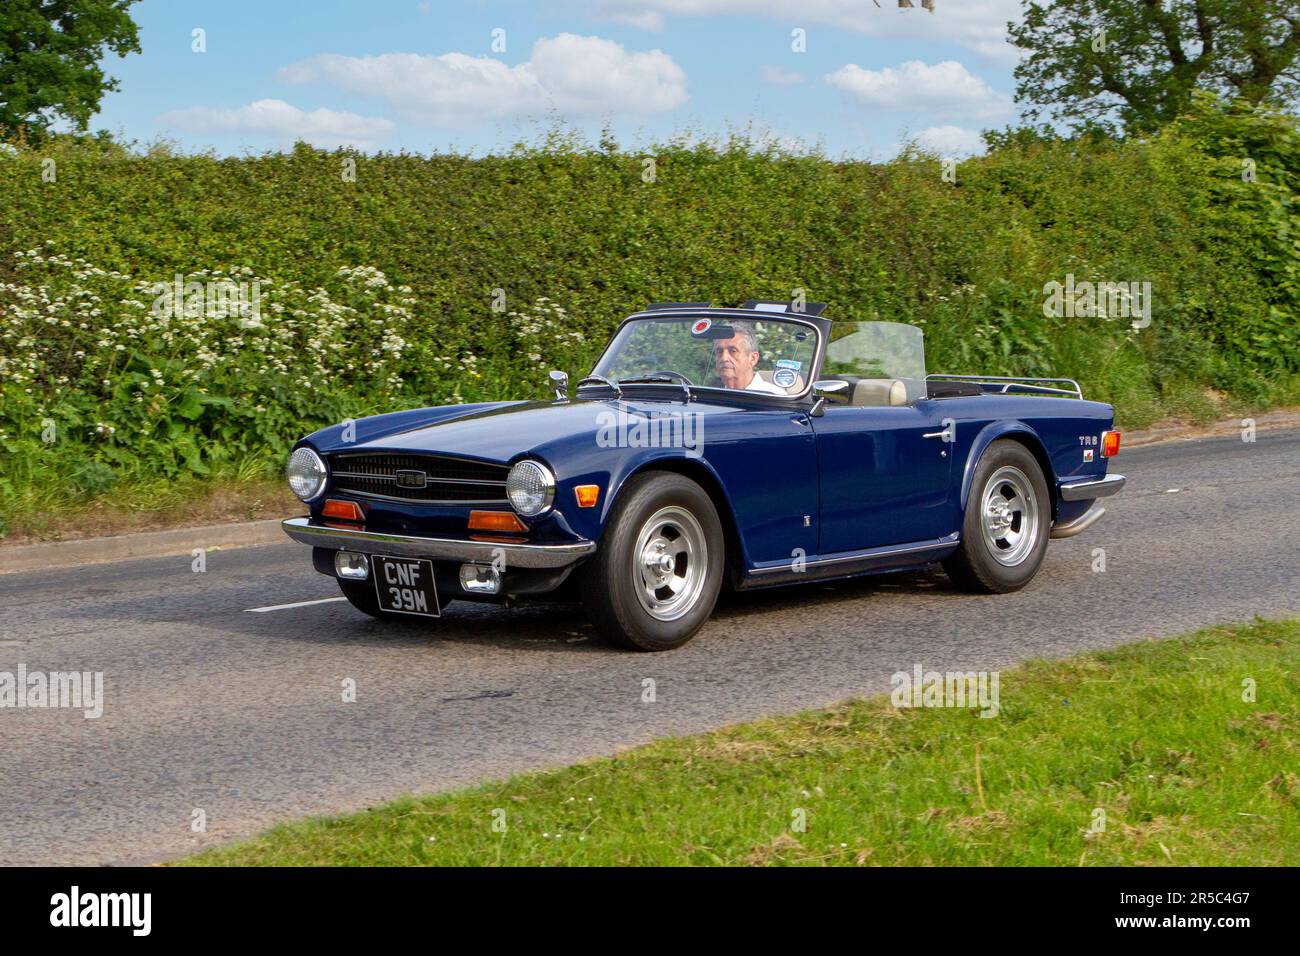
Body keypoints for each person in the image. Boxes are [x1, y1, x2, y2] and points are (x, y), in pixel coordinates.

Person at [711, 323, 786, 394]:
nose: (724, 358)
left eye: (733, 351)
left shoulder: (774, 396)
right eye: (719, 351)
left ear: (753, 358)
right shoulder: (710, 394)